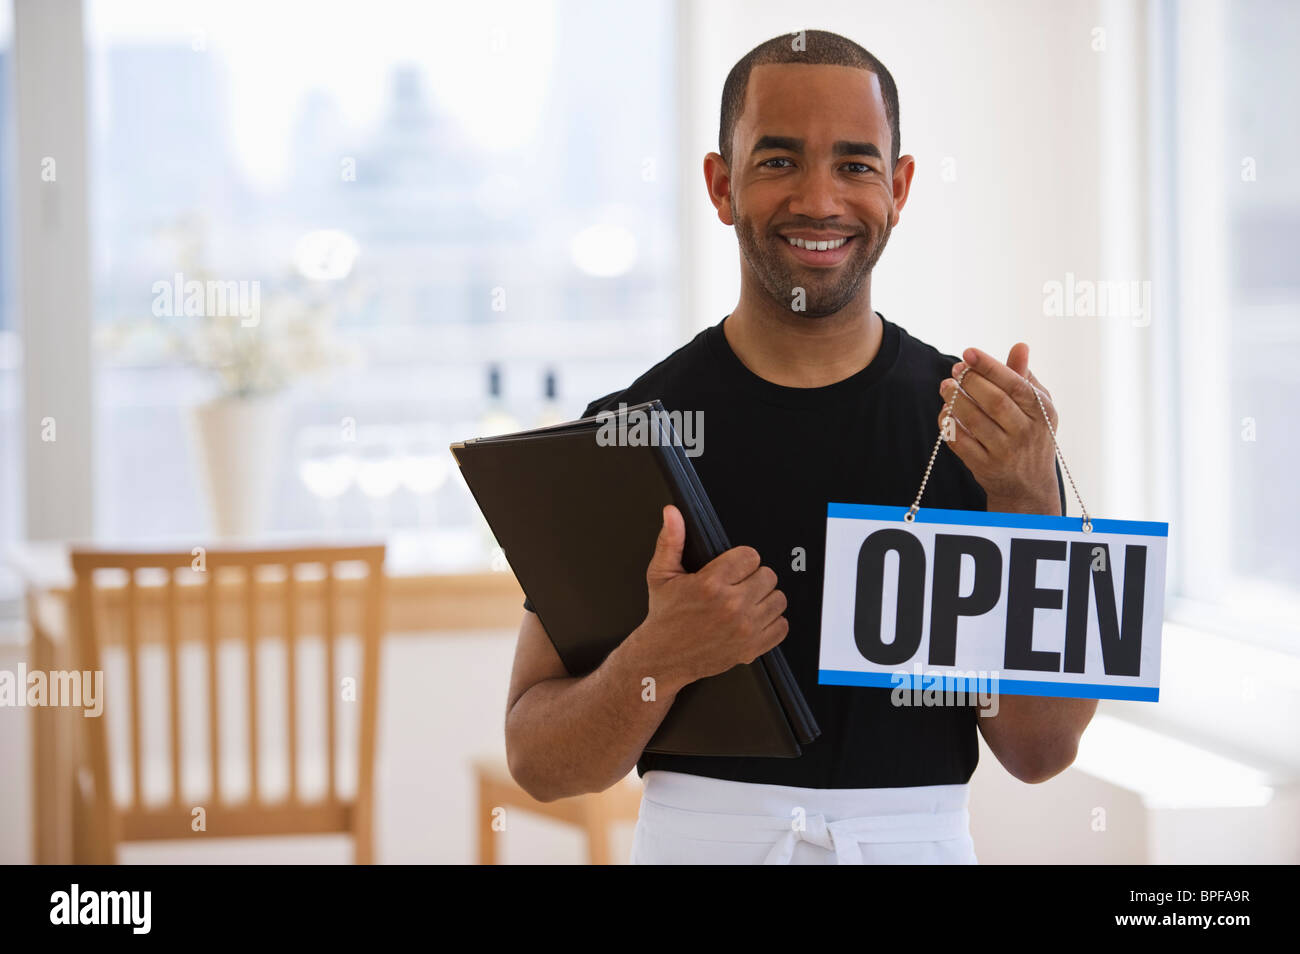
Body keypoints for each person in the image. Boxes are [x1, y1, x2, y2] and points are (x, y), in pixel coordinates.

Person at [503, 29, 1097, 864]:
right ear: (721, 184)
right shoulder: (628, 436)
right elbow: (537, 758)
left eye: (855, 165)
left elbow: (1041, 752)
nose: (820, 200)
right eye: (779, 161)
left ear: (899, 187)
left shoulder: (984, 436)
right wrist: (658, 658)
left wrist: (1031, 503)